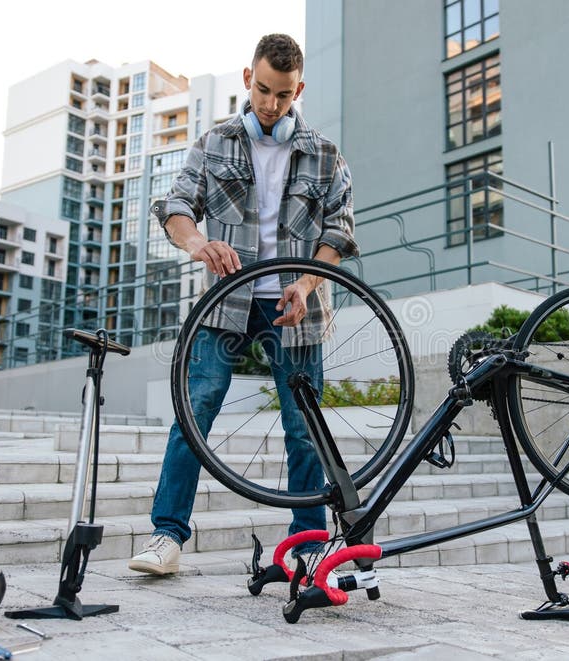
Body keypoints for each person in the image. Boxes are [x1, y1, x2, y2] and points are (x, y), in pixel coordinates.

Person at [129, 33, 357, 575]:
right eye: (262, 90)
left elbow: (340, 230)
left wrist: (306, 284)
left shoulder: (325, 154)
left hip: (293, 307)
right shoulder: (214, 143)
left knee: (304, 426)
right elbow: (177, 204)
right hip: (225, 304)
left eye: (283, 94)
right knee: (194, 411)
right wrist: (196, 243)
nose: (270, 104)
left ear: (298, 88)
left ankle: (306, 547)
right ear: (246, 78)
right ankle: (166, 539)